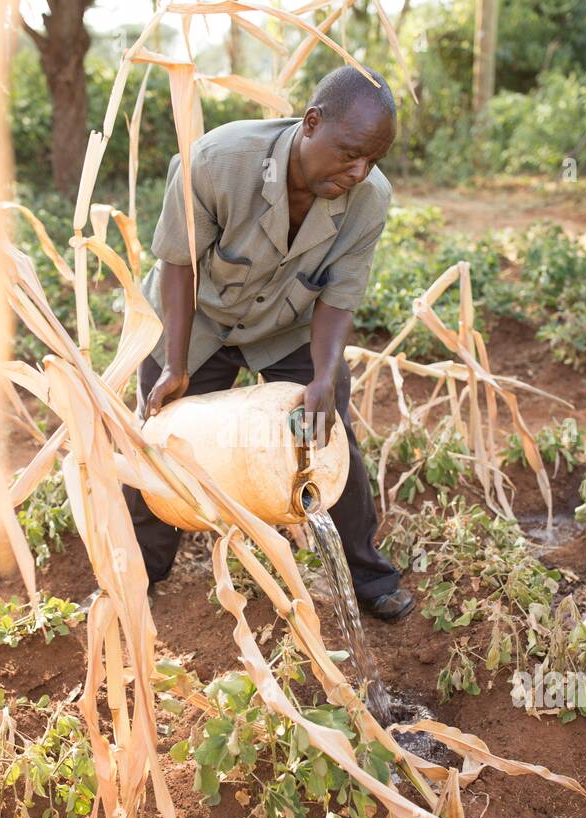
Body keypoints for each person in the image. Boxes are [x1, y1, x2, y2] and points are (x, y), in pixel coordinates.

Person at [124, 64, 414, 622]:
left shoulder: (369, 199)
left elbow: (338, 298)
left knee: (329, 440)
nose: (359, 171)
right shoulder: (214, 162)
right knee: (161, 445)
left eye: (372, 160)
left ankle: (369, 577)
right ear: (310, 124)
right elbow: (178, 267)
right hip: (196, 320)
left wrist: (324, 380)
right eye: (350, 152)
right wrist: (176, 365)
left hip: (288, 326)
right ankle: (140, 574)